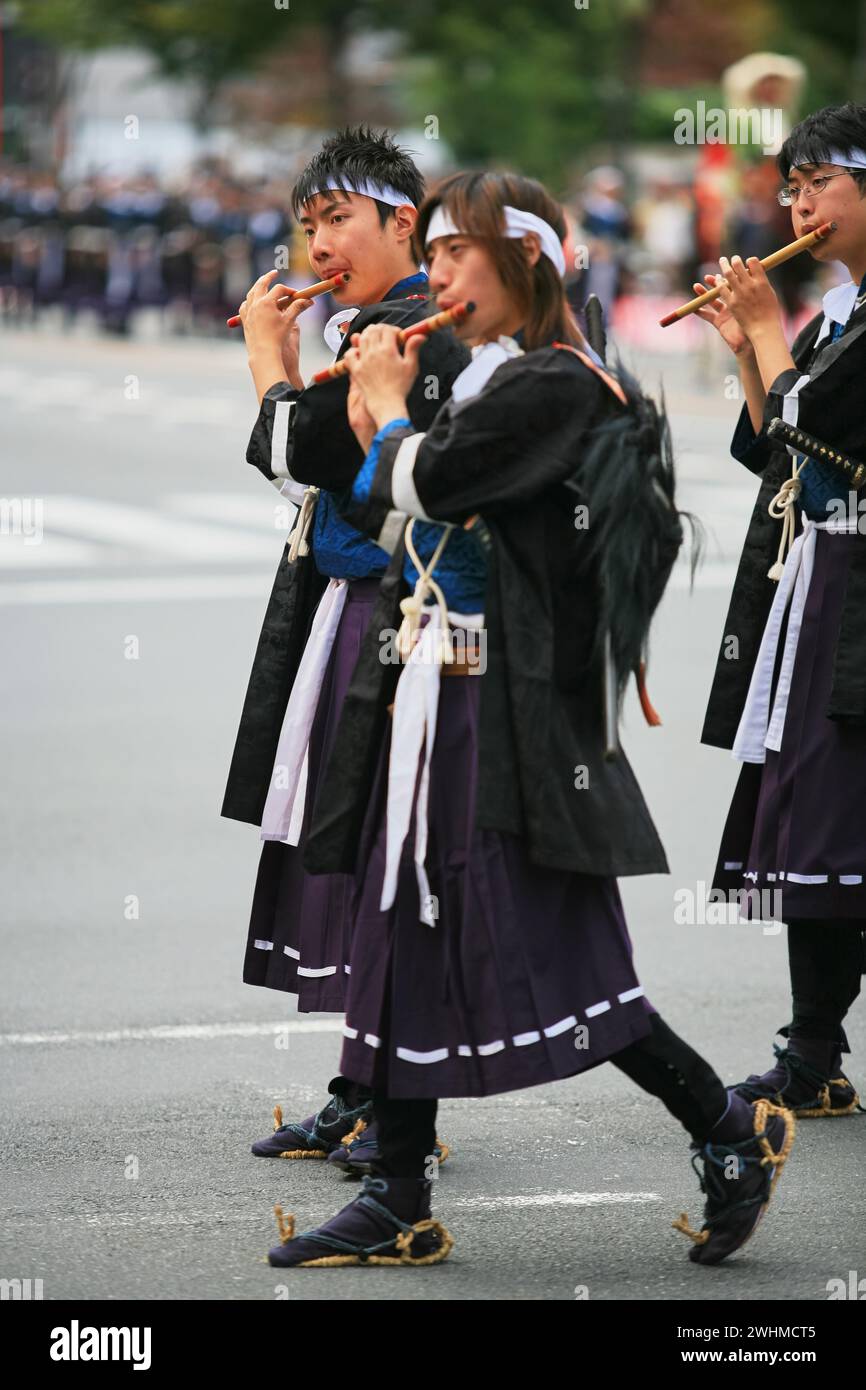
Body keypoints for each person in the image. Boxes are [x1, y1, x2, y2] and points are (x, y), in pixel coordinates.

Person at [266, 171, 796, 1272]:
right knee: (396, 923)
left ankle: (725, 1125)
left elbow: (425, 480)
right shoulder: (487, 371)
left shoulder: (557, 382)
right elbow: (362, 484)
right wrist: (351, 401)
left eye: (459, 254)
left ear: (525, 266)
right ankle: (399, 1197)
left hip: (506, 709)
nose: (441, 275)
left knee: (554, 949)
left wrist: (379, 406)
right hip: (431, 684)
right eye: (441, 253)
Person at [221, 127, 468, 1170]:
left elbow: (307, 452)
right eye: (307, 222)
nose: (318, 241)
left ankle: (395, 1109)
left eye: (337, 219)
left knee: (379, 853)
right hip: (348, 609)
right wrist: (292, 376)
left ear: (399, 221)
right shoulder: (374, 322)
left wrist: (270, 366)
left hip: (398, 620)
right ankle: (360, 1088)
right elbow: (310, 474)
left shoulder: (422, 325)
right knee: (342, 849)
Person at [696, 103, 866, 1118]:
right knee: (813, 813)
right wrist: (744, 346)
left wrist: (765, 331)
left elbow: (823, 422)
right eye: (789, 187)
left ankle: (811, 1050)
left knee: (841, 812)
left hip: (857, 585)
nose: (796, 204)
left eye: (819, 183)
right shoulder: (838, 310)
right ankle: (811, 1051)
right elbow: (778, 447)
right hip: (824, 579)